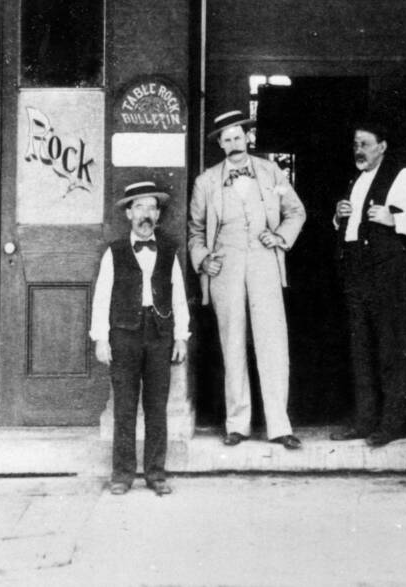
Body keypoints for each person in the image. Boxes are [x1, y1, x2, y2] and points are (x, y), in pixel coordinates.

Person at [188, 110, 306, 450]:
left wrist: (280, 236)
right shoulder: (206, 182)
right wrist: (204, 259)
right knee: (233, 343)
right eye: (227, 139)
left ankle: (279, 425)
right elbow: (195, 230)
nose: (234, 144)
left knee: (272, 342)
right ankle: (237, 424)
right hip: (225, 267)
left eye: (238, 136)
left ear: (248, 137)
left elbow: (296, 211)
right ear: (220, 145)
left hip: (264, 263)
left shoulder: (272, 172)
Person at [330, 118, 406, 447]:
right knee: (361, 349)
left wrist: (395, 219)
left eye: (365, 144)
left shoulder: (401, 177)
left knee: (390, 349)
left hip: (386, 275)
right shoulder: (356, 178)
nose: (358, 150)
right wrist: (339, 215)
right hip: (356, 273)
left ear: (382, 147)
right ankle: (365, 420)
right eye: (355, 144)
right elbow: (352, 227)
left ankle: (391, 424)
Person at [90, 181, 190, 496]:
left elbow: (179, 297)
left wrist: (181, 337)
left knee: (157, 406)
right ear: (129, 214)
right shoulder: (115, 252)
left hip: (160, 334)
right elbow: (102, 297)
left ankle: (156, 473)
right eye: (139, 207)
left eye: (151, 208)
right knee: (124, 406)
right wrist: (101, 338)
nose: (145, 214)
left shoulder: (169, 251)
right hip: (123, 334)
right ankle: (122, 474)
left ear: (158, 215)